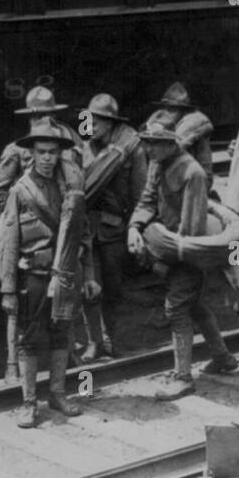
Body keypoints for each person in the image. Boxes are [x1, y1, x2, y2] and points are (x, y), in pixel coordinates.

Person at [0, 118, 98, 428]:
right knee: (27, 340)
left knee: (60, 334)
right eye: (41, 152)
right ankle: (29, 403)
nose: (47, 158)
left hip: (64, 275)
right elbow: (9, 243)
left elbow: (84, 235)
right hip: (34, 276)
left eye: (53, 152)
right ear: (32, 153)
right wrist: (8, 289)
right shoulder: (20, 190)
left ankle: (57, 393)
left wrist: (89, 274)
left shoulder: (70, 187)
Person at [129, 113, 239, 398]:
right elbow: (147, 200)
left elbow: (190, 230)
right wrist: (135, 227)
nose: (148, 149)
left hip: (186, 252)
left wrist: (161, 257)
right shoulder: (158, 163)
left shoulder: (193, 174)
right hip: (170, 245)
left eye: (154, 143)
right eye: (147, 143)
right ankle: (223, 357)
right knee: (196, 305)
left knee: (176, 308)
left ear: (169, 144)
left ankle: (183, 378)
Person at [77, 93, 146, 361]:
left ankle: (112, 338)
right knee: (90, 287)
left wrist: (136, 227)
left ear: (112, 123)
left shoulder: (130, 149)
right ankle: (96, 341)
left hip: (113, 228)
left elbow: (140, 193)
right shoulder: (84, 147)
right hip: (85, 228)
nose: (91, 125)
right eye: (90, 119)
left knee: (114, 288)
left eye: (99, 121)